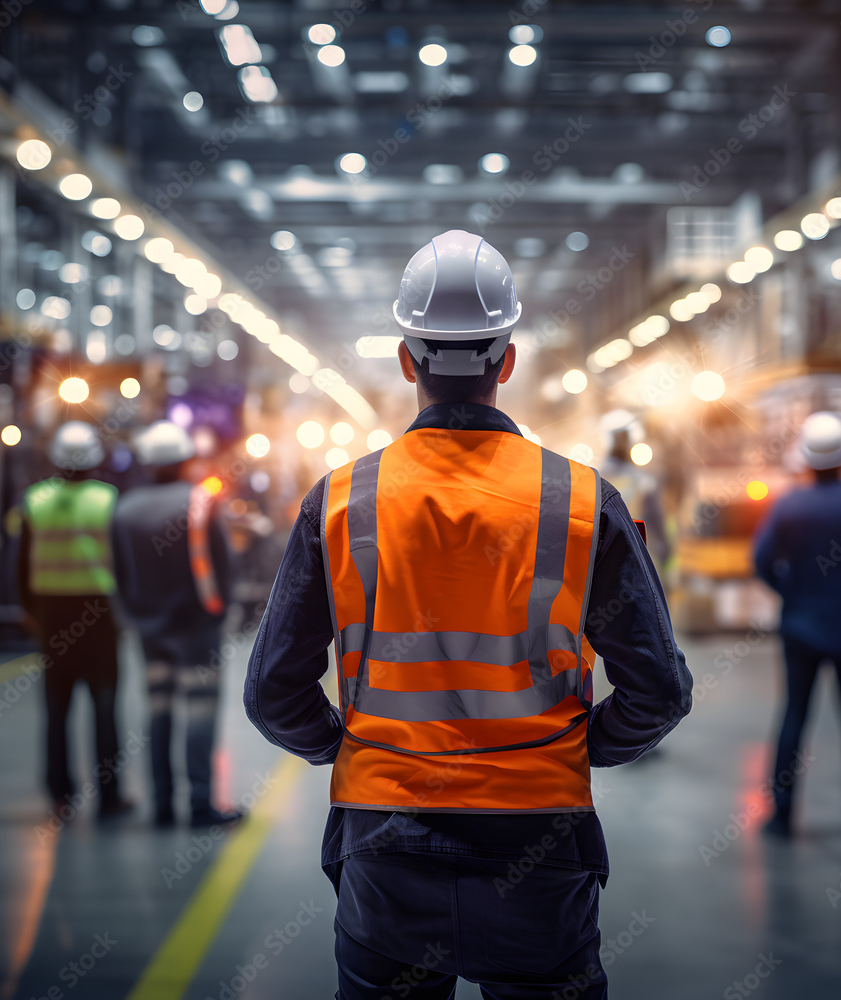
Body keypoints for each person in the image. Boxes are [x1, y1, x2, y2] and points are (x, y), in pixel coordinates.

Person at [244, 230, 692, 999]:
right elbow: (662, 689)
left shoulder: (342, 500)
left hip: (383, 832)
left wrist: (353, 749)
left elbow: (270, 690)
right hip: (538, 835)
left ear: (406, 357)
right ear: (506, 360)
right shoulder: (583, 501)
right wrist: (578, 750)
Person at [753, 412, 841, 840]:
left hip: (800, 625)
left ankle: (782, 816)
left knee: (794, 714)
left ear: (806, 459)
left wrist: (792, 594)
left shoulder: (789, 506)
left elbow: (761, 561)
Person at [110, 420, 242, 829]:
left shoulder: (124, 510)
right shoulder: (202, 502)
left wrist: (134, 619)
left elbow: (117, 574)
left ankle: (162, 805)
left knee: (159, 711)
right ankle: (201, 804)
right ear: (186, 459)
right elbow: (224, 565)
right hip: (197, 629)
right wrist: (222, 612)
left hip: (149, 631)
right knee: (200, 712)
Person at [18, 421, 133, 822]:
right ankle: (109, 796)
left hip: (51, 614)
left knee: (56, 707)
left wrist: (29, 610)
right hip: (97, 614)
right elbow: (123, 560)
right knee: (104, 705)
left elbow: (21, 562)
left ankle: (59, 794)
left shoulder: (35, 499)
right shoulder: (108, 499)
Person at [600, 426, 669, 573]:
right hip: (637, 554)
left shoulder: (596, 480)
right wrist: (664, 551)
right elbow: (655, 519)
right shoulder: (643, 480)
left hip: (603, 558)